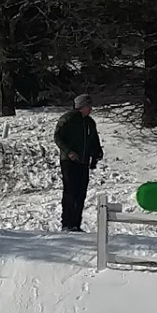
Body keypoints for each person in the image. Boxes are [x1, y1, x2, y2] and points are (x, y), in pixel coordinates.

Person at [54, 94, 103, 232]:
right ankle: (67, 223)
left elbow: (94, 141)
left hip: (83, 162)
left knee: (81, 193)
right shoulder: (68, 119)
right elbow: (57, 137)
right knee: (70, 191)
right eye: (88, 105)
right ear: (81, 106)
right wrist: (68, 152)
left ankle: (76, 223)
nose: (90, 108)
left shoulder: (90, 122)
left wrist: (97, 153)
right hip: (69, 161)